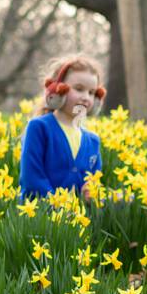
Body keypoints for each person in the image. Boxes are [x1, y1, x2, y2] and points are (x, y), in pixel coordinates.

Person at [18, 54, 106, 200]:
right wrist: (57, 205)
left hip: (76, 220)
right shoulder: (39, 128)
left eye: (91, 92)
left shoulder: (93, 141)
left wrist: (93, 195)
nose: (86, 97)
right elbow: (32, 178)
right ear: (57, 91)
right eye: (79, 89)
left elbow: (92, 182)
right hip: (41, 218)